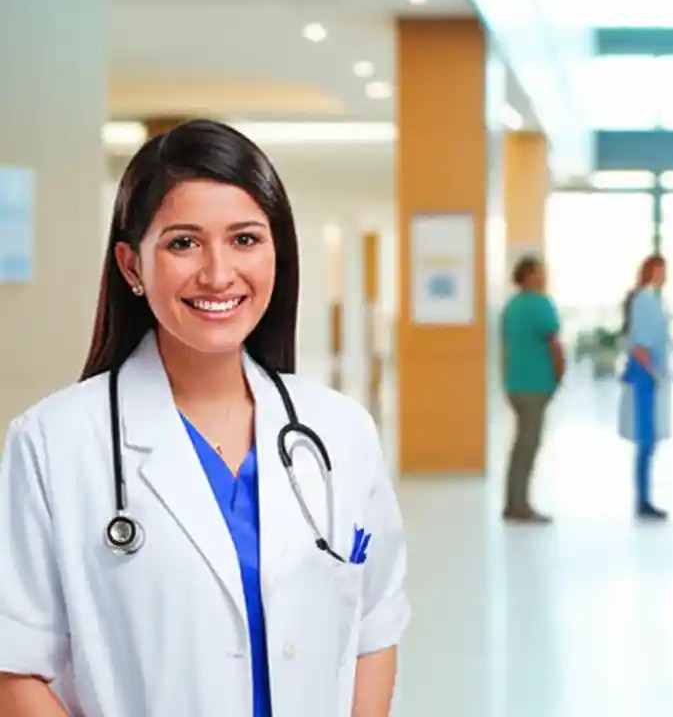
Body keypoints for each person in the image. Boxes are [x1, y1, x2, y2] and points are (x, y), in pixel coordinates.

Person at [0, 120, 410, 716]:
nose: (218, 274)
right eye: (183, 243)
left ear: (277, 253)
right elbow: (15, 669)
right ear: (132, 264)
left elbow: (374, 627)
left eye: (245, 239)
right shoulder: (54, 442)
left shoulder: (340, 431)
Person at [500, 255, 564, 524]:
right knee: (528, 445)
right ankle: (519, 506)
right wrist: (560, 372)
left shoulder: (510, 307)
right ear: (527, 276)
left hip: (516, 385)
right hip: (535, 385)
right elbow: (553, 342)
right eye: (539, 273)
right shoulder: (540, 304)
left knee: (520, 446)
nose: (544, 277)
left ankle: (513, 501)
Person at [620, 254, 671, 521]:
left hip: (648, 377)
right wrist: (654, 373)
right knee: (645, 440)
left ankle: (644, 498)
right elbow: (640, 345)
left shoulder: (649, 300)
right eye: (663, 271)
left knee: (648, 441)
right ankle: (642, 500)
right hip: (645, 378)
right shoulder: (645, 301)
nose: (666, 276)